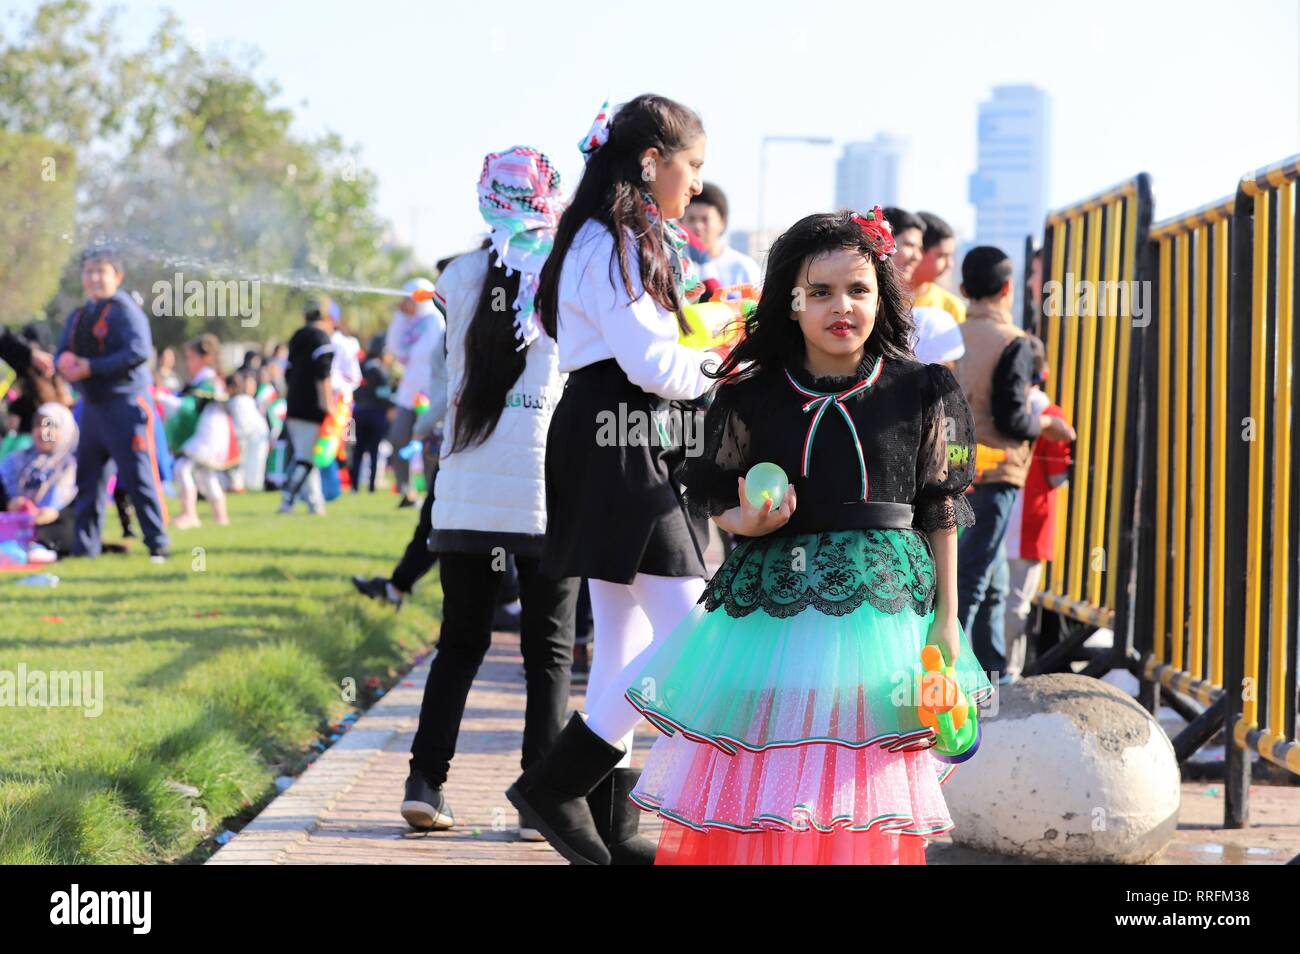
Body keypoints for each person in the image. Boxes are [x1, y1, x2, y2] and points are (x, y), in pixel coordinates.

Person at [585, 208, 993, 865]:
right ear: (791, 302)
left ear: (882, 297)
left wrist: (947, 622)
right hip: (771, 614)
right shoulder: (751, 393)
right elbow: (714, 490)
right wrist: (745, 522)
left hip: (885, 615)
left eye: (858, 290)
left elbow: (940, 508)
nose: (842, 307)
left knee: (860, 782)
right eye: (820, 292)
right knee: (767, 774)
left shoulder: (922, 388)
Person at [504, 94, 719, 866]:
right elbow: (655, 364)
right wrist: (728, 361)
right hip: (621, 435)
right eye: (692, 168)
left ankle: (612, 823)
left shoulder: (597, 235)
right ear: (652, 161)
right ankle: (559, 782)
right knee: (696, 636)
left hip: (606, 433)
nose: (696, 186)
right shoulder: (620, 239)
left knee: (626, 635)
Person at [400, 145, 580, 844]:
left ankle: (424, 782)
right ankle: (539, 798)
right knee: (550, 653)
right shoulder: (567, 275)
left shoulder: (457, 275)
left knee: (461, 642)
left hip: (466, 489)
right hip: (544, 489)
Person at [952, 246, 1074, 679]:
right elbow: (1012, 418)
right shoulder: (1015, 343)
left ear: (964, 289)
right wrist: (1047, 424)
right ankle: (952, 672)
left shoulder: (952, 336)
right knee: (973, 575)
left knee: (992, 577)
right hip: (997, 470)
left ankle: (994, 669)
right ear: (1008, 289)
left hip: (955, 467)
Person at [55, 246, 170, 561]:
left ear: (116, 276)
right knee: (88, 482)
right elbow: (62, 351)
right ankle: (85, 550)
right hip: (92, 409)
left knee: (138, 478)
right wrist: (62, 362)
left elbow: (138, 352)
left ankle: (158, 545)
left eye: (101, 271)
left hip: (125, 405)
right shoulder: (79, 315)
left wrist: (91, 367)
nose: (94, 278)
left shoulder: (125, 311)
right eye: (89, 271)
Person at [1002, 335, 1074, 683]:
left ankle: (987, 662)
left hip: (991, 513)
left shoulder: (994, 404)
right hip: (1032, 522)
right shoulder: (1052, 416)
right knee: (1018, 601)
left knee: (988, 594)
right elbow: (1059, 476)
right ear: (1042, 371)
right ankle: (1009, 670)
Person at [161, 334, 239, 528]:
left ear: (204, 358)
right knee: (205, 475)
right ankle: (220, 516)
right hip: (208, 434)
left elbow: (187, 407)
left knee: (182, 468)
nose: (188, 363)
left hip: (208, 435)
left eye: (191, 358)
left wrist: (161, 397)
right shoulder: (206, 380)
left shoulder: (207, 381)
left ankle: (190, 514)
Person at [884, 207, 963, 367]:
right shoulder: (874, 299)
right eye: (942, 255)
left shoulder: (950, 306)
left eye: (919, 248)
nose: (949, 265)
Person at [386, 279, 442, 507]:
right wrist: (400, 317)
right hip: (407, 393)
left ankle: (430, 491)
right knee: (398, 437)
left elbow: (423, 354)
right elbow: (394, 348)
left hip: (429, 392)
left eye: (409, 299)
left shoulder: (435, 322)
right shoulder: (406, 321)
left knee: (430, 443)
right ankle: (406, 490)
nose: (404, 303)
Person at [0, 402, 79, 558]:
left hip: (53, 527)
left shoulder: (73, 466)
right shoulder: (16, 460)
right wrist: (9, 502)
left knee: (68, 529)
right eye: (38, 425)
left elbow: (80, 506)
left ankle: (38, 547)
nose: (43, 431)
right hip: (12, 523)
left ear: (65, 430)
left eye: (51, 426)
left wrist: (55, 513)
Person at [279, 297, 335, 515]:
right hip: (312, 406)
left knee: (305, 455)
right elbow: (323, 373)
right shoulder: (321, 338)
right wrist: (327, 404)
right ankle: (288, 498)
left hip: (293, 403)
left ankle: (315, 502)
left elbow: (288, 372)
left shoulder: (297, 337)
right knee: (306, 458)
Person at [681, 182, 762, 289]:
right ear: (680, 222)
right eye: (691, 219)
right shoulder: (675, 267)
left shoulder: (743, 267)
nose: (698, 226)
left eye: (705, 219)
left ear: (722, 222)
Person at [350, 334, 392, 493]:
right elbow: (383, 395)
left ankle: (354, 486)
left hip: (358, 412)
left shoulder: (360, 365)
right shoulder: (380, 371)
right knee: (374, 451)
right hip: (375, 414)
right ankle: (371, 486)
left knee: (357, 451)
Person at [911, 211, 966, 325]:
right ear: (919, 249)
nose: (949, 264)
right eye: (942, 255)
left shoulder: (952, 308)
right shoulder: (879, 299)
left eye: (951, 256)